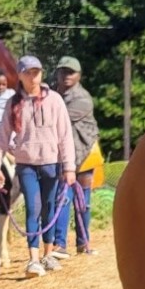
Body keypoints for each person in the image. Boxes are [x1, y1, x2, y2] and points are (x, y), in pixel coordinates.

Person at [0, 55, 76, 278]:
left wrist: (69, 167)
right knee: (33, 207)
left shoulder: (55, 101)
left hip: (52, 163)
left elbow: (65, 135)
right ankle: (33, 260)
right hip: (26, 163)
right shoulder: (13, 104)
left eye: (37, 72)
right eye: (28, 73)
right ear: (20, 75)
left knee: (49, 209)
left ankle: (48, 254)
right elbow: (2, 138)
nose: (33, 77)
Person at [48, 56, 99, 256]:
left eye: (71, 72)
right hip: (64, 154)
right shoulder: (51, 94)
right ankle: (60, 244)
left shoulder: (82, 99)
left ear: (79, 75)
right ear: (57, 74)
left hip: (84, 153)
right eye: (63, 71)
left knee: (81, 201)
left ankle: (82, 243)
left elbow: (56, 120)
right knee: (63, 198)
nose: (66, 76)